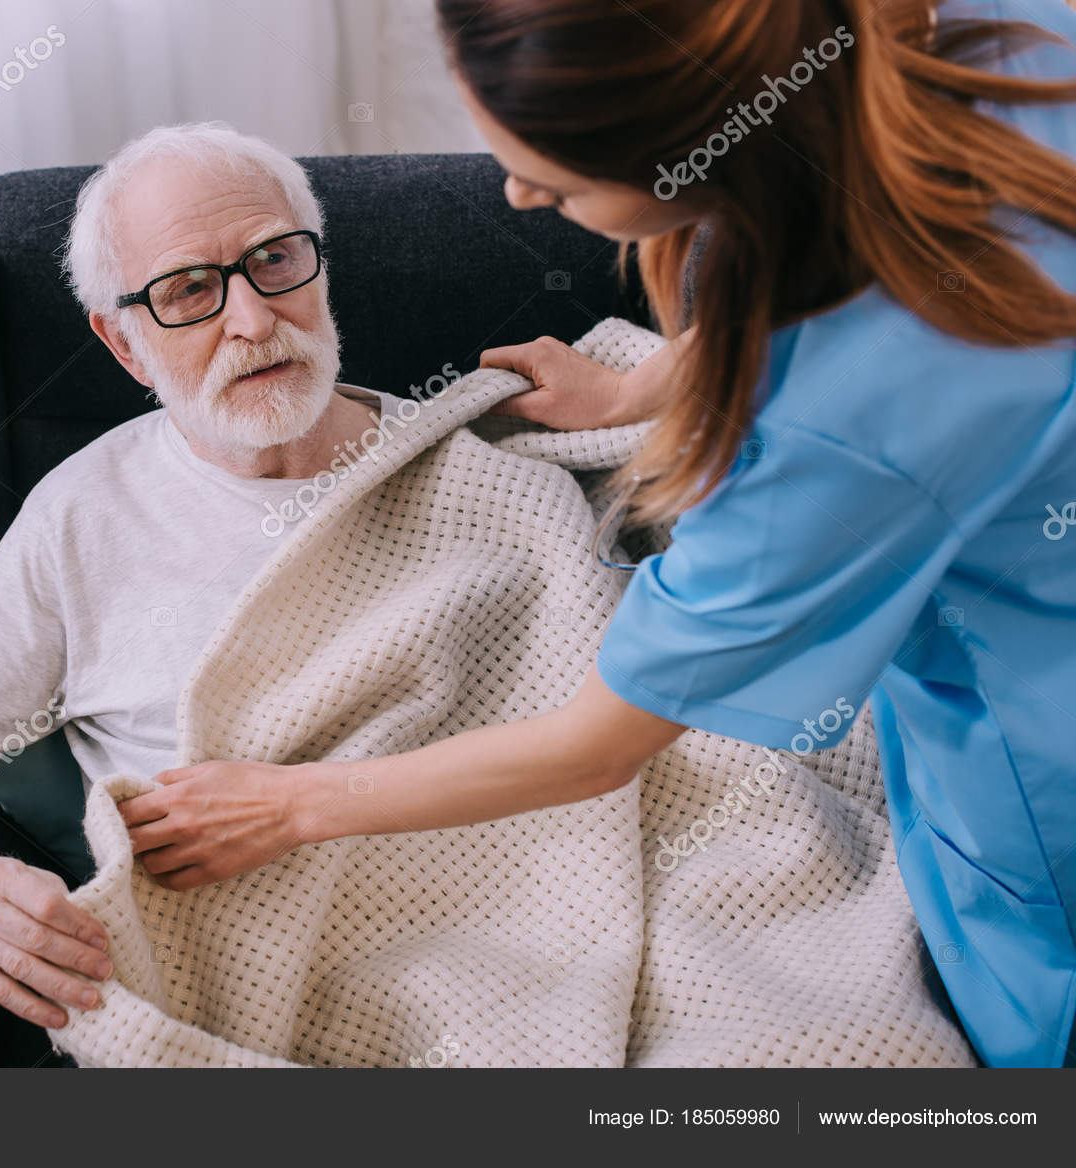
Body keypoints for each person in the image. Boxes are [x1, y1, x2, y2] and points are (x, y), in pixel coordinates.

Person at [120, 0, 1076, 1068]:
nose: (518, 194)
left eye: (556, 181)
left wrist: (287, 806)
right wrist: (643, 385)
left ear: (686, 151)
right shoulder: (983, 37)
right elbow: (850, 240)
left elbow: (595, 746)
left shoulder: (824, 445)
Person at [0, 123, 405, 1042]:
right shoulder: (80, 520)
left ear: (319, 265)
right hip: (261, 999)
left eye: (275, 260)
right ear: (126, 346)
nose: (254, 319)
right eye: (188, 291)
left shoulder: (469, 463)